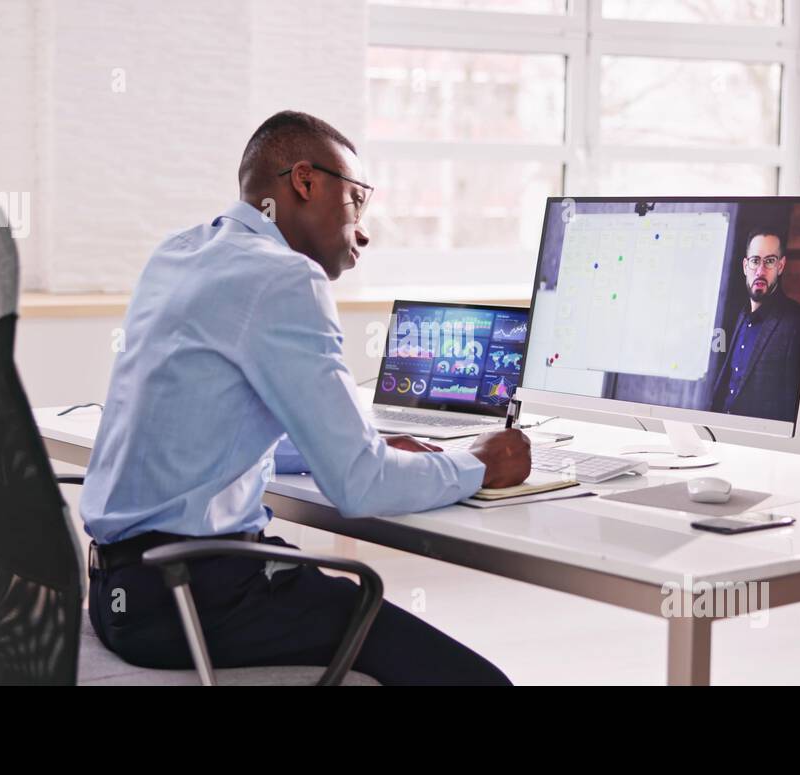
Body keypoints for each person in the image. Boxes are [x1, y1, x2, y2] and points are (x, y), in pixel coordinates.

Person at [78, 110, 530, 685]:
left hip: (121, 592)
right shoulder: (285, 278)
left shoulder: (179, 253)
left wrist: (346, 445)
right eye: (357, 200)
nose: (363, 230)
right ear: (305, 181)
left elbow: (213, 427)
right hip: (197, 599)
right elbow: (359, 486)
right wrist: (478, 465)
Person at [709, 226, 800, 421]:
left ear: (780, 266)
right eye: (755, 261)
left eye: (769, 261)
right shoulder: (740, 316)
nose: (760, 271)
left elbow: (789, 408)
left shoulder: (796, 322)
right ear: (745, 266)